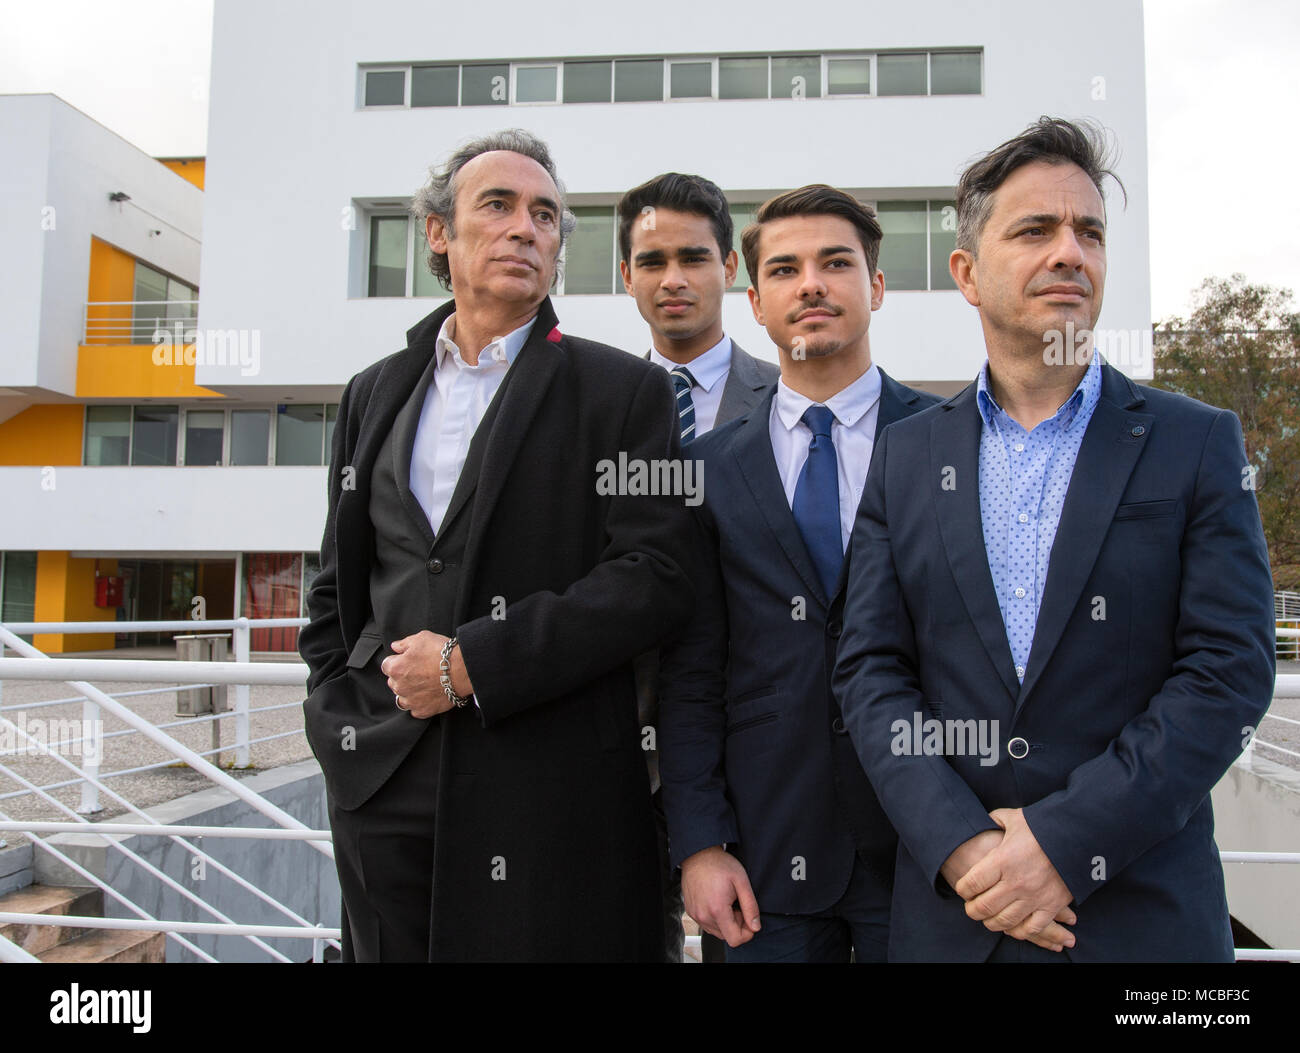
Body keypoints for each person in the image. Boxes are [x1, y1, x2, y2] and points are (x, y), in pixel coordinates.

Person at [832, 117, 1276, 962]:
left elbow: (1228, 669)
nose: (1070, 251)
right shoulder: (906, 455)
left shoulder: (1195, 442)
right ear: (966, 272)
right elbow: (870, 671)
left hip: (1146, 926)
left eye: (1090, 232)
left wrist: (1063, 844)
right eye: (1035, 229)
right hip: (957, 916)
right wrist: (964, 845)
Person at [298, 128, 694, 962]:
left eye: (546, 215)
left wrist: (475, 662)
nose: (526, 228)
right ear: (440, 232)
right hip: (382, 776)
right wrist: (336, 711)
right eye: (500, 206)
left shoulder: (627, 391)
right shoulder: (373, 392)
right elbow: (337, 584)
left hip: (547, 789)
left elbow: (654, 577)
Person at [658, 185, 939, 962]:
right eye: (784, 269)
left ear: (876, 286)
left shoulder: (950, 444)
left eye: (835, 263)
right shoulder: (705, 469)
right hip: (761, 859)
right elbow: (690, 670)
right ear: (754, 300)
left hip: (927, 850)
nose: (810, 283)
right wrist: (700, 843)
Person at [617, 171, 778, 962]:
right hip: (611, 751)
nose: (672, 278)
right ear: (626, 277)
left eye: (693, 257)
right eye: (651, 261)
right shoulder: (593, 408)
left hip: (750, 751)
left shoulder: (790, 403)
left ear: (729, 270)